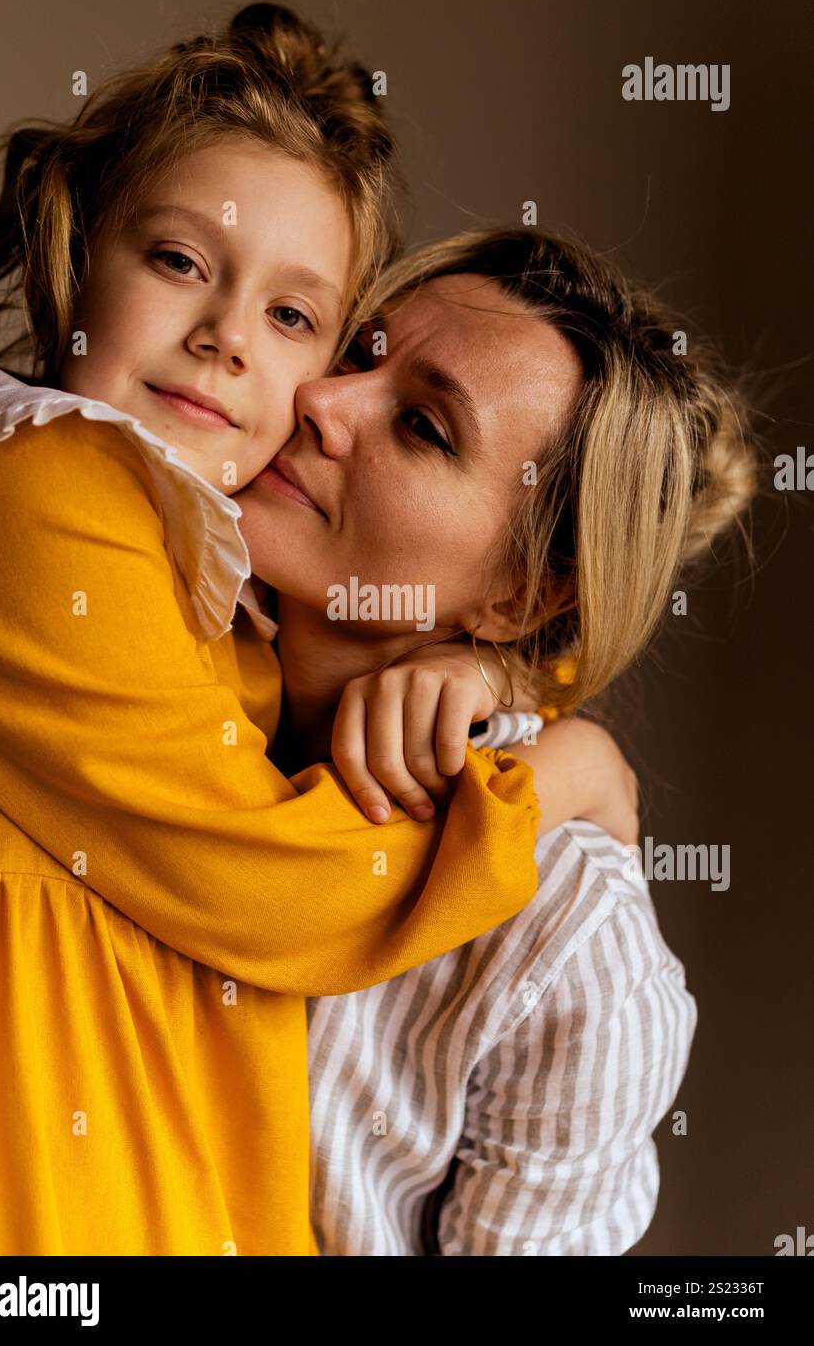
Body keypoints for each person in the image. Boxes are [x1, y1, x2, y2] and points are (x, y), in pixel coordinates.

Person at [0, 6, 631, 1256]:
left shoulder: (209, 569)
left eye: (295, 320)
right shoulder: (40, 492)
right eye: (176, 262)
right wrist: (560, 775)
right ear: (74, 251)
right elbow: (268, 886)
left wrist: (495, 681)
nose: (240, 352)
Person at [225, 226, 759, 1254]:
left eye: (422, 426)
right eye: (355, 352)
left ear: (522, 592)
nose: (321, 404)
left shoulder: (563, 940)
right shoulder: (126, 635)